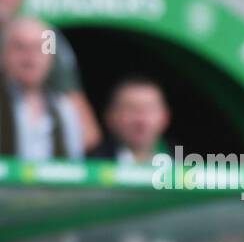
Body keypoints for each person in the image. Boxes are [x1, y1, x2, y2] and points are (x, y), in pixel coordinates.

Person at [0, 17, 84, 160]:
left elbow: (74, 166)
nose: (30, 57)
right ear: (3, 55)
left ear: (51, 58)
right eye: (19, 47)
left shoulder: (64, 109)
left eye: (38, 48)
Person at [87, 76, 170, 165]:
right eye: (131, 109)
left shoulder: (181, 160)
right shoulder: (89, 162)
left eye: (149, 110)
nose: (141, 120)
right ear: (110, 117)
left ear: (165, 117)